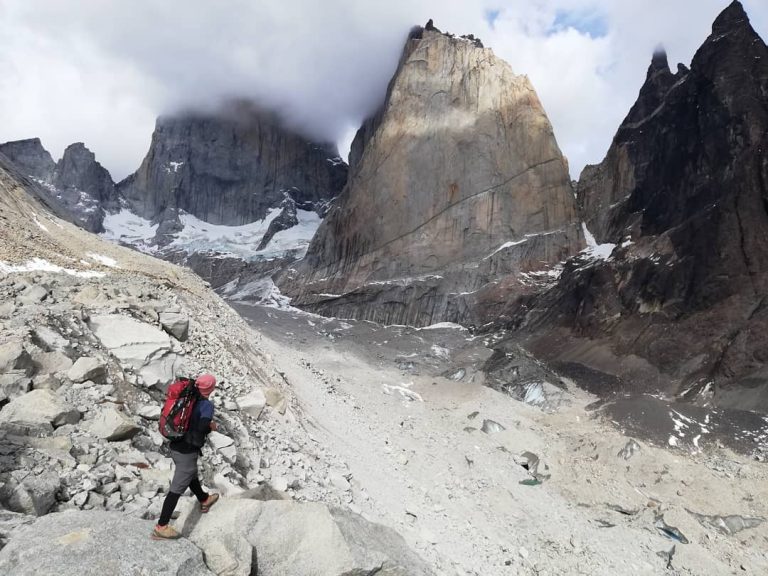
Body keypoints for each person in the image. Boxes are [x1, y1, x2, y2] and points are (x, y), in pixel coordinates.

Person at [152, 373, 220, 540]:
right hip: (187, 449)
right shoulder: (206, 405)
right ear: (210, 388)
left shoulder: (188, 397)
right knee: (177, 488)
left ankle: (204, 499)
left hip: (177, 444)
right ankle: (161, 526)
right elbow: (203, 426)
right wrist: (211, 426)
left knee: (191, 473)